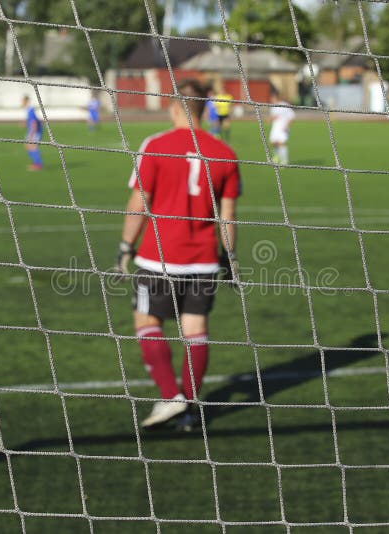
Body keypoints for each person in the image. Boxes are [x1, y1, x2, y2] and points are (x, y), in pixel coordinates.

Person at [115, 78, 241, 431]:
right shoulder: (225, 153)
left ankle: (172, 397)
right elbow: (226, 215)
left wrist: (125, 247)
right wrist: (229, 258)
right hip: (204, 259)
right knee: (195, 329)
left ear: (173, 108)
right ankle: (187, 411)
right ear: (204, 110)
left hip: (158, 257)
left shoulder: (155, 145)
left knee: (147, 323)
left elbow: (138, 203)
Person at [268, 91, 295, 165]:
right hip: (275, 128)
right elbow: (272, 117)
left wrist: (287, 125)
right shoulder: (273, 107)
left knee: (281, 143)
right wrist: (270, 119)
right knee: (273, 143)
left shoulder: (284, 105)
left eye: (272, 98)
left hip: (283, 128)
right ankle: (277, 157)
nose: (271, 99)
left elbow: (292, 116)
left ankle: (285, 160)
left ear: (276, 97)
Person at [22, 95, 43, 170]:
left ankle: (38, 164)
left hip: (35, 131)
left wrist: (31, 134)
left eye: (23, 101)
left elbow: (34, 122)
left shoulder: (30, 110)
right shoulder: (29, 110)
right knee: (27, 146)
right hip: (32, 130)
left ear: (26, 101)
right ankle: (36, 163)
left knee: (32, 146)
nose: (22, 103)